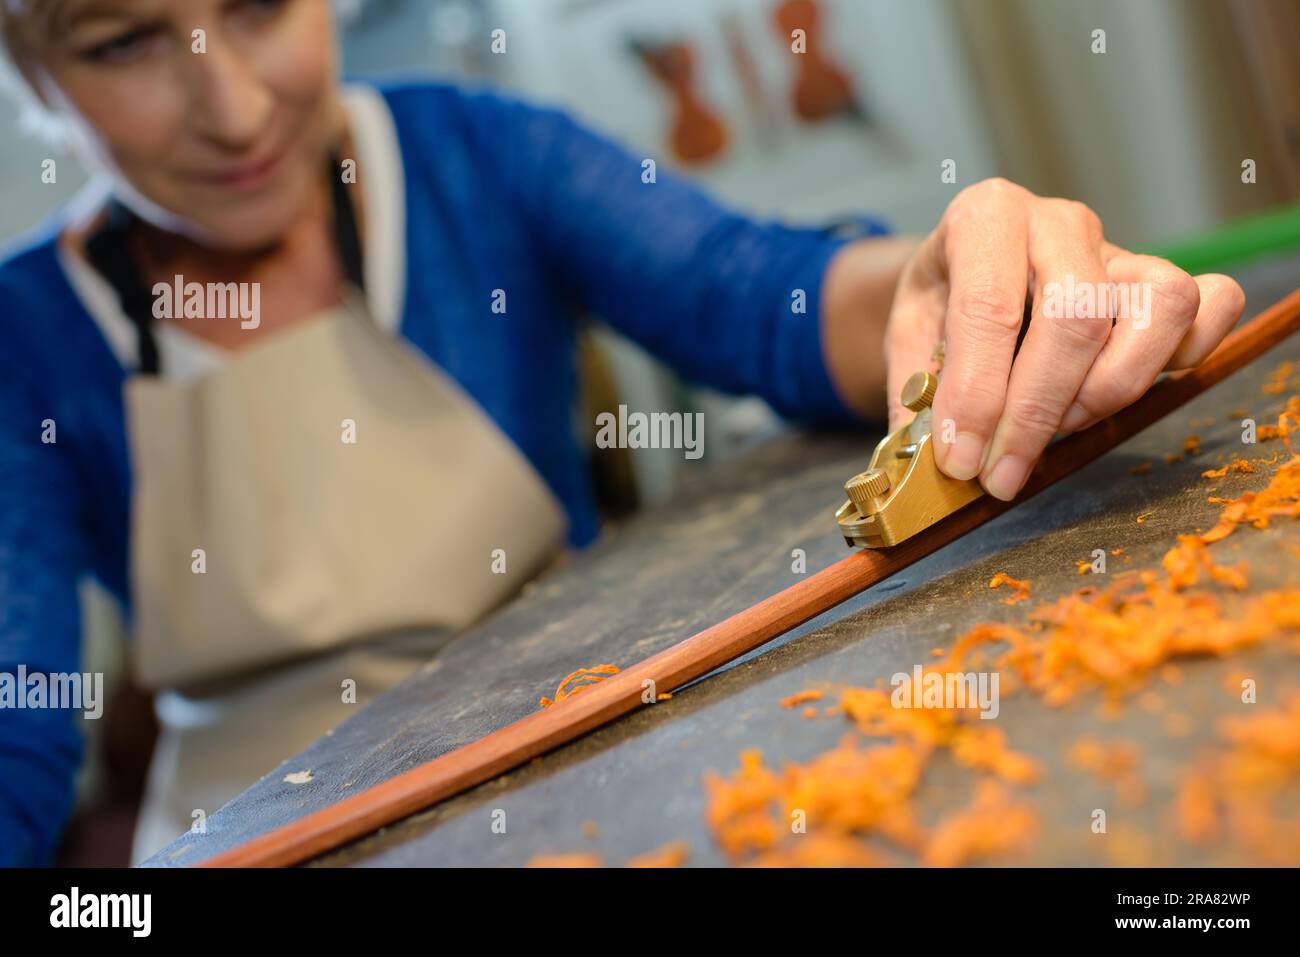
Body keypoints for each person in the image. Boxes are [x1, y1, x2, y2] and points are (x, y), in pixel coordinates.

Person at [0, 0, 1245, 866]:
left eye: (263, 3)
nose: (232, 105)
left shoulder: (479, 156)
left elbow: (760, 296)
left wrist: (942, 295)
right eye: (122, 41)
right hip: (260, 835)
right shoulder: (22, 338)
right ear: (30, 71)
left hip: (575, 783)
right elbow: (20, 730)